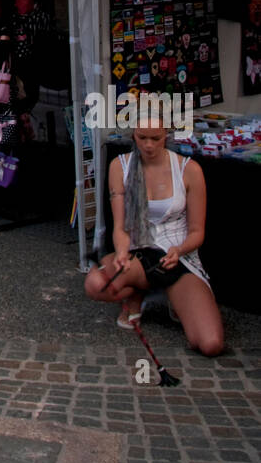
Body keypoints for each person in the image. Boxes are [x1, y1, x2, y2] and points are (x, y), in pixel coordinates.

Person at [84, 109, 224, 355]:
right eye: (142, 137)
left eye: (155, 138)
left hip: (178, 257)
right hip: (139, 250)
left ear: (167, 135)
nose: (148, 145)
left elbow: (197, 231)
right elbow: (119, 226)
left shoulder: (189, 170)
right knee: (96, 284)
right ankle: (138, 293)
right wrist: (122, 253)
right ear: (133, 135)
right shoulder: (121, 166)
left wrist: (179, 250)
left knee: (210, 344)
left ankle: (170, 296)